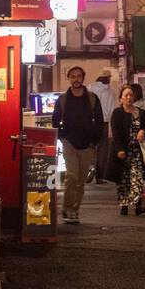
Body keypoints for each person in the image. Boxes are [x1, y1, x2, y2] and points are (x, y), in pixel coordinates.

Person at [51, 65, 104, 224]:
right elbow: (55, 120)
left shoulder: (92, 98)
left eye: (78, 76)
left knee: (81, 181)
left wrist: (94, 141)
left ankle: (75, 210)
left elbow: (99, 121)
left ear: (83, 78)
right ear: (69, 79)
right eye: (73, 76)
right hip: (69, 143)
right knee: (72, 176)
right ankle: (67, 209)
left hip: (87, 144)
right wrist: (62, 137)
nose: (76, 79)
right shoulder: (63, 99)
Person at [106, 85, 145, 216]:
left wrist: (143, 131)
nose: (129, 97)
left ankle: (138, 205)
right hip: (123, 151)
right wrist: (119, 149)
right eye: (126, 95)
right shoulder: (117, 113)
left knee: (137, 177)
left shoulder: (141, 113)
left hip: (137, 151)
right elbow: (116, 133)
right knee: (123, 179)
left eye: (131, 95)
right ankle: (124, 205)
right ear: (121, 99)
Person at [89, 69, 119, 184]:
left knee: (90, 147)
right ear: (108, 79)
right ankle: (100, 176)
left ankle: (89, 170)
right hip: (104, 122)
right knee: (102, 150)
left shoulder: (90, 88)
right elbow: (111, 110)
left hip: (90, 122)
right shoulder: (111, 91)